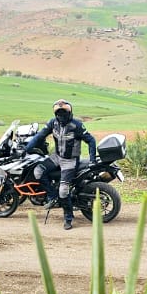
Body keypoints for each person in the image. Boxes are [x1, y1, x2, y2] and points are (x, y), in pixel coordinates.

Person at [26, 99, 96, 230]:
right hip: (56, 157)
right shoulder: (53, 123)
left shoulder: (77, 125)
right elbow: (40, 136)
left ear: (69, 113)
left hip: (70, 160)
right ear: (55, 114)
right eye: (58, 113)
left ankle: (68, 218)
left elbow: (91, 140)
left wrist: (92, 159)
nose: (61, 115)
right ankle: (52, 197)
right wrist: (28, 148)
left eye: (64, 112)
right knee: (38, 171)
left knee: (63, 191)